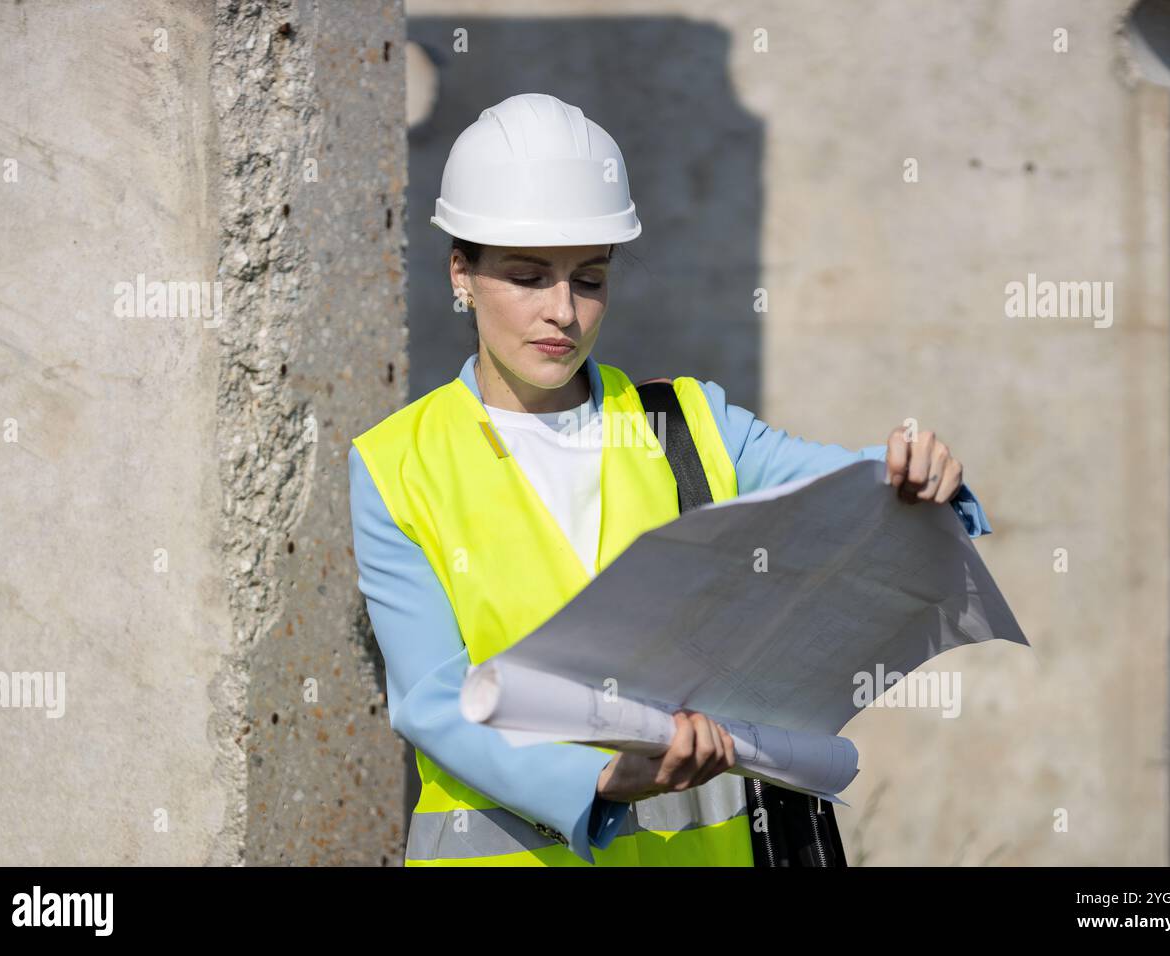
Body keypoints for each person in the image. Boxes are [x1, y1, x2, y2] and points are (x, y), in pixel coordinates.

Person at [348, 92, 992, 867]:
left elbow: (852, 490)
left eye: (588, 279)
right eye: (527, 277)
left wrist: (920, 475)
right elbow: (434, 702)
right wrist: (600, 781)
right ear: (463, 272)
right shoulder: (396, 464)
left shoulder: (689, 426)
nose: (564, 313)